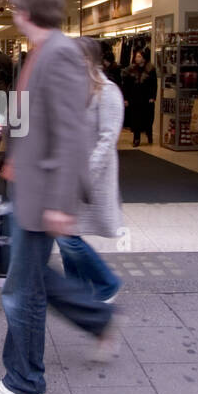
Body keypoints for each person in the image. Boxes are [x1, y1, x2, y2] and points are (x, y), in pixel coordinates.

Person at [0, 0, 117, 394]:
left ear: (25, 13)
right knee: (31, 282)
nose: (12, 15)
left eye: (14, 8)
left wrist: (60, 202)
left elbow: (73, 134)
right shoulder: (42, 53)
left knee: (21, 289)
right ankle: (96, 319)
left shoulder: (58, 54)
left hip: (42, 195)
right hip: (27, 188)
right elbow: (38, 123)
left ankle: (24, 380)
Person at [57, 37, 124, 304]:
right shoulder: (76, 90)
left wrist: (88, 175)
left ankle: (107, 283)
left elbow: (108, 139)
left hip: (91, 175)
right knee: (67, 231)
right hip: (70, 172)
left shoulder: (108, 91)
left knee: (66, 235)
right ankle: (77, 290)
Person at [123, 49, 157, 146]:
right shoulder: (131, 70)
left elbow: (154, 84)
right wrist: (126, 98)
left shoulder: (151, 70)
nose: (137, 59)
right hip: (135, 97)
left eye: (139, 56)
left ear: (144, 58)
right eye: (136, 56)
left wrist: (152, 96)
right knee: (135, 118)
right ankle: (136, 138)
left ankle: (149, 134)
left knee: (148, 118)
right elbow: (127, 85)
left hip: (146, 98)